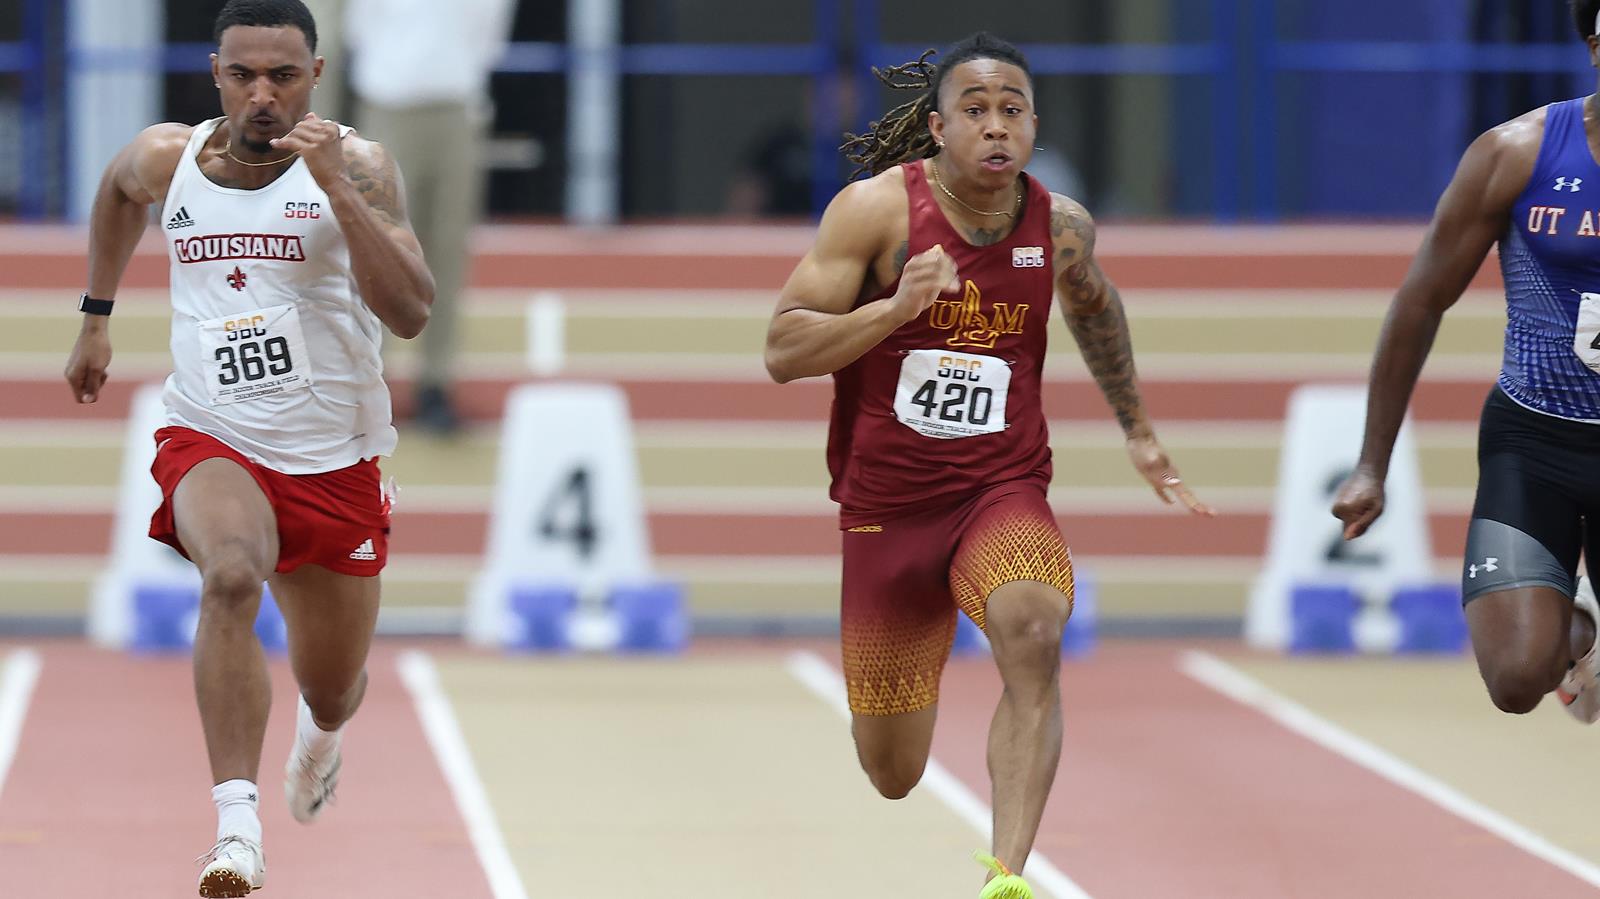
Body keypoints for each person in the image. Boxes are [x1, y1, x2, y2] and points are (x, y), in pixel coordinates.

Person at [763, 33, 1211, 899]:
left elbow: (1096, 308)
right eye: (975, 110)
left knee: (1035, 630)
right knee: (892, 769)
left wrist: (1139, 430)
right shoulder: (875, 212)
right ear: (938, 127)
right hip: (888, 508)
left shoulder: (1060, 225)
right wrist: (896, 308)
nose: (996, 126)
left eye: (1013, 110)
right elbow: (783, 349)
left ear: (1034, 126)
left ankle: (1007, 876)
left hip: (998, 489)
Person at [61, 1, 433, 894]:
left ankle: (322, 739)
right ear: (215, 74)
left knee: (332, 686)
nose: (262, 94)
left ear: (317, 76)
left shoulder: (362, 166)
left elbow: (412, 311)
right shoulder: (170, 156)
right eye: (243, 75)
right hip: (212, 431)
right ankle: (237, 831)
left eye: (283, 76)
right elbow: (116, 190)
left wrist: (336, 189)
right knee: (229, 575)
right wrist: (96, 316)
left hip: (332, 457)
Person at [1334, 1, 1600, 726]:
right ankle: (1579, 628)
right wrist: (1371, 465)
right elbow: (1420, 302)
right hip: (1536, 441)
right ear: (1594, 46)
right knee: (1516, 678)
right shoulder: (1518, 153)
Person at [345, 0, 514, 433]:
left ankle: (437, 382)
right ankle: (369, 375)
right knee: (376, 248)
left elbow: (489, 35)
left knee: (446, 250)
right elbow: (359, 28)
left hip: (457, 108)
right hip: (388, 106)